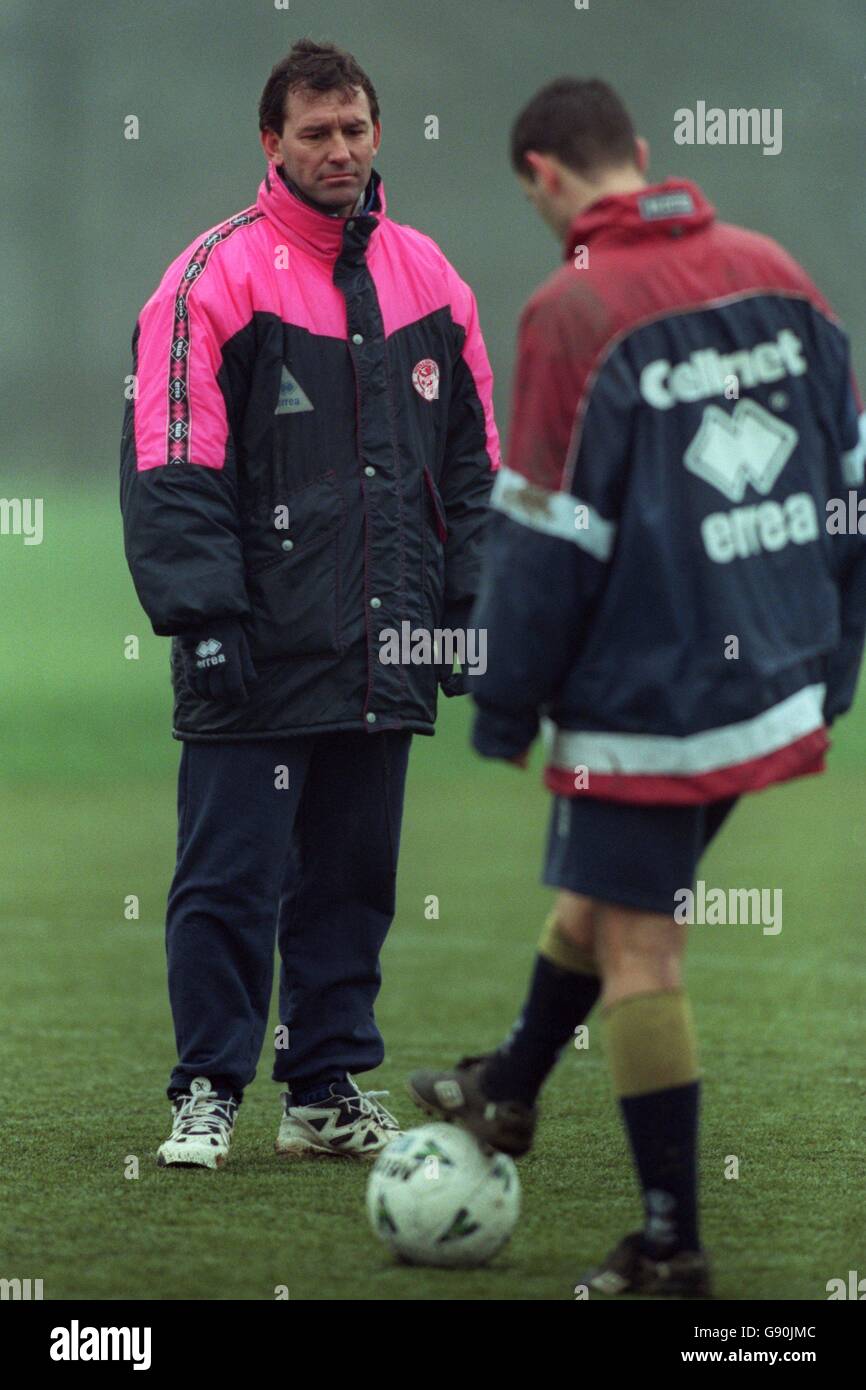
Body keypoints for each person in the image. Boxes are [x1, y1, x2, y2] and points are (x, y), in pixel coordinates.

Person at [409, 77, 866, 1295]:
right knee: (609, 892)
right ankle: (507, 1084)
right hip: (769, 670)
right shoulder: (775, 266)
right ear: (643, 156)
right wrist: (836, 652)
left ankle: (671, 1244)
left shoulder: (571, 310)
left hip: (650, 698)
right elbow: (851, 478)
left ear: (546, 179)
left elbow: (545, 543)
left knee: (640, 946)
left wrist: (502, 704)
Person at [120, 39, 500, 1169]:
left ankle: (324, 1088)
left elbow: (471, 469)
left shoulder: (432, 278)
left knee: (351, 883)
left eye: (353, 129)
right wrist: (203, 619)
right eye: (314, 132)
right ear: (270, 143)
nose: (337, 150)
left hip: (386, 643)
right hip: (254, 646)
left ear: (378, 134)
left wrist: (469, 606)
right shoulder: (209, 278)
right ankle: (206, 1091)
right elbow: (171, 463)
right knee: (228, 880)